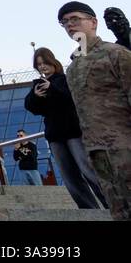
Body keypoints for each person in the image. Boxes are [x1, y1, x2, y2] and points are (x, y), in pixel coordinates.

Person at [58, 1, 131, 220]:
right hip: (98, 151)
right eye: (64, 22)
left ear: (93, 22)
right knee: (118, 210)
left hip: (125, 146)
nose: (70, 25)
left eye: (75, 19)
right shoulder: (73, 67)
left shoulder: (116, 54)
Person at [24, 46, 106, 209]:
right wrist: (36, 96)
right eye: (39, 64)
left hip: (74, 133)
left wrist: (52, 88)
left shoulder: (64, 79)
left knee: (88, 170)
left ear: (53, 62)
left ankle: (111, 204)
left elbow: (71, 99)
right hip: (55, 136)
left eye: (45, 63)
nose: (43, 67)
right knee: (70, 177)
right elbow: (31, 107)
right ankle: (88, 209)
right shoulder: (38, 85)